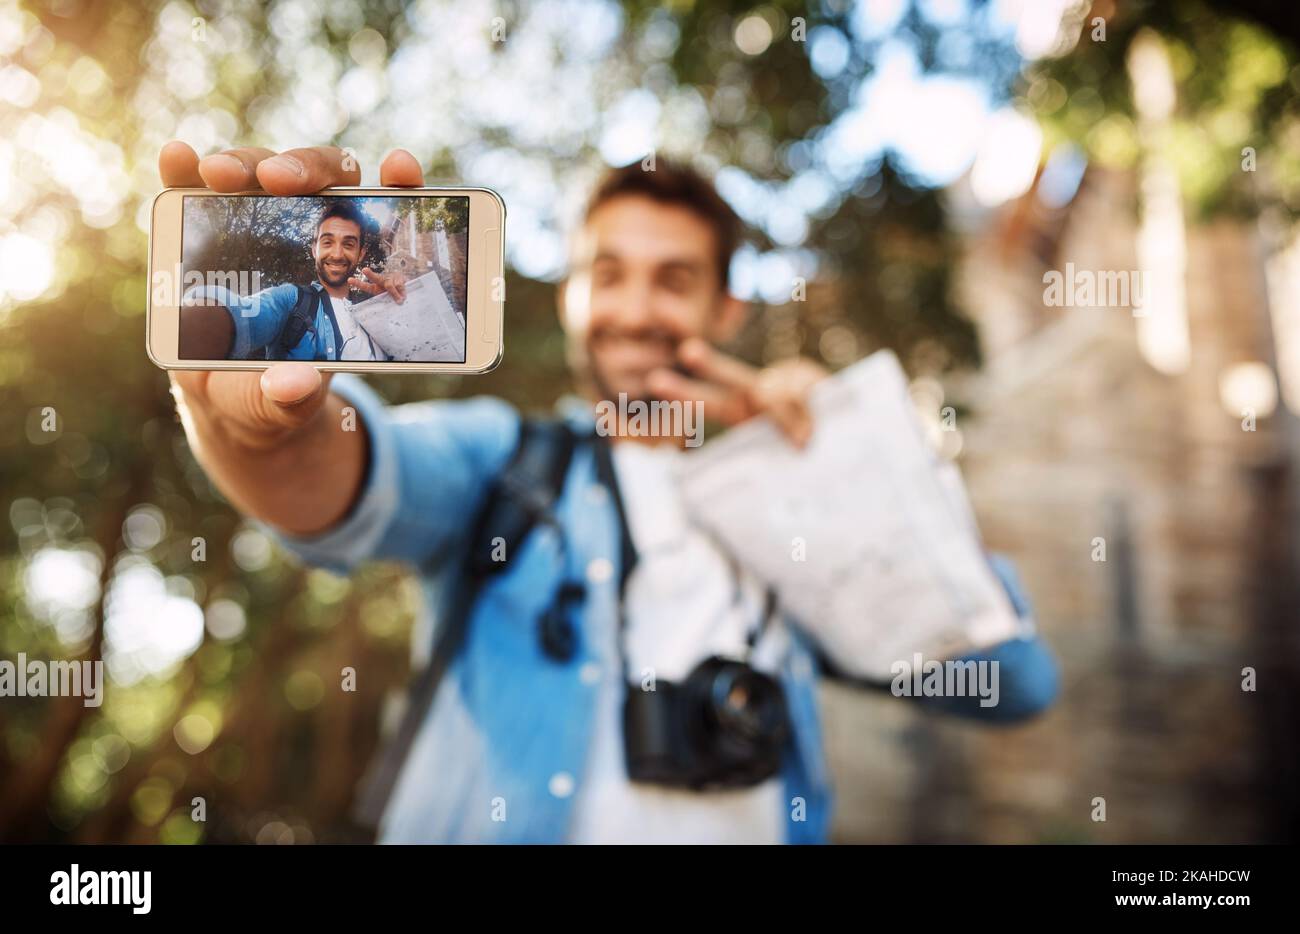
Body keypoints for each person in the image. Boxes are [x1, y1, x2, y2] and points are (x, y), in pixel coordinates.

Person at [160, 141, 1059, 844]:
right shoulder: (507, 461)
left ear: (726, 312)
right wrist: (252, 429)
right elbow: (352, 479)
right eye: (610, 273)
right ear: (570, 297)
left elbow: (1011, 683)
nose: (634, 310)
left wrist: (837, 468)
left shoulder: (794, 509)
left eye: (675, 280)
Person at [180, 198, 403, 361]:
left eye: (348, 244)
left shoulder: (372, 306)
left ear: (361, 253)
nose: (336, 254)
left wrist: (396, 307)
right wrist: (187, 327)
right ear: (314, 249)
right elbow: (244, 314)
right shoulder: (291, 300)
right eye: (327, 242)